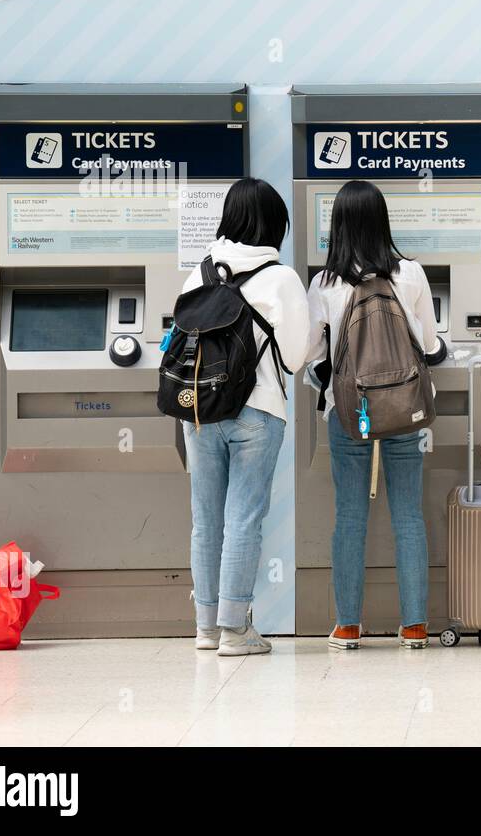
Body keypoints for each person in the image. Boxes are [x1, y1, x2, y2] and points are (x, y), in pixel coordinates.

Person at [305, 180, 440, 650]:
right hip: (405, 407)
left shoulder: (325, 283)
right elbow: (428, 343)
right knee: (408, 516)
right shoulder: (412, 274)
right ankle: (416, 625)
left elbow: (309, 353)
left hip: (349, 411)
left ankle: (347, 626)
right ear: (383, 220)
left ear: (338, 225)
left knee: (349, 515)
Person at [183, 178, 309, 655]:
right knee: (243, 518)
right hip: (257, 409)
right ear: (274, 224)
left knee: (205, 519)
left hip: (197, 411)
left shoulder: (198, 274)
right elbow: (295, 357)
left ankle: (205, 628)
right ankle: (235, 630)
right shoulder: (281, 278)